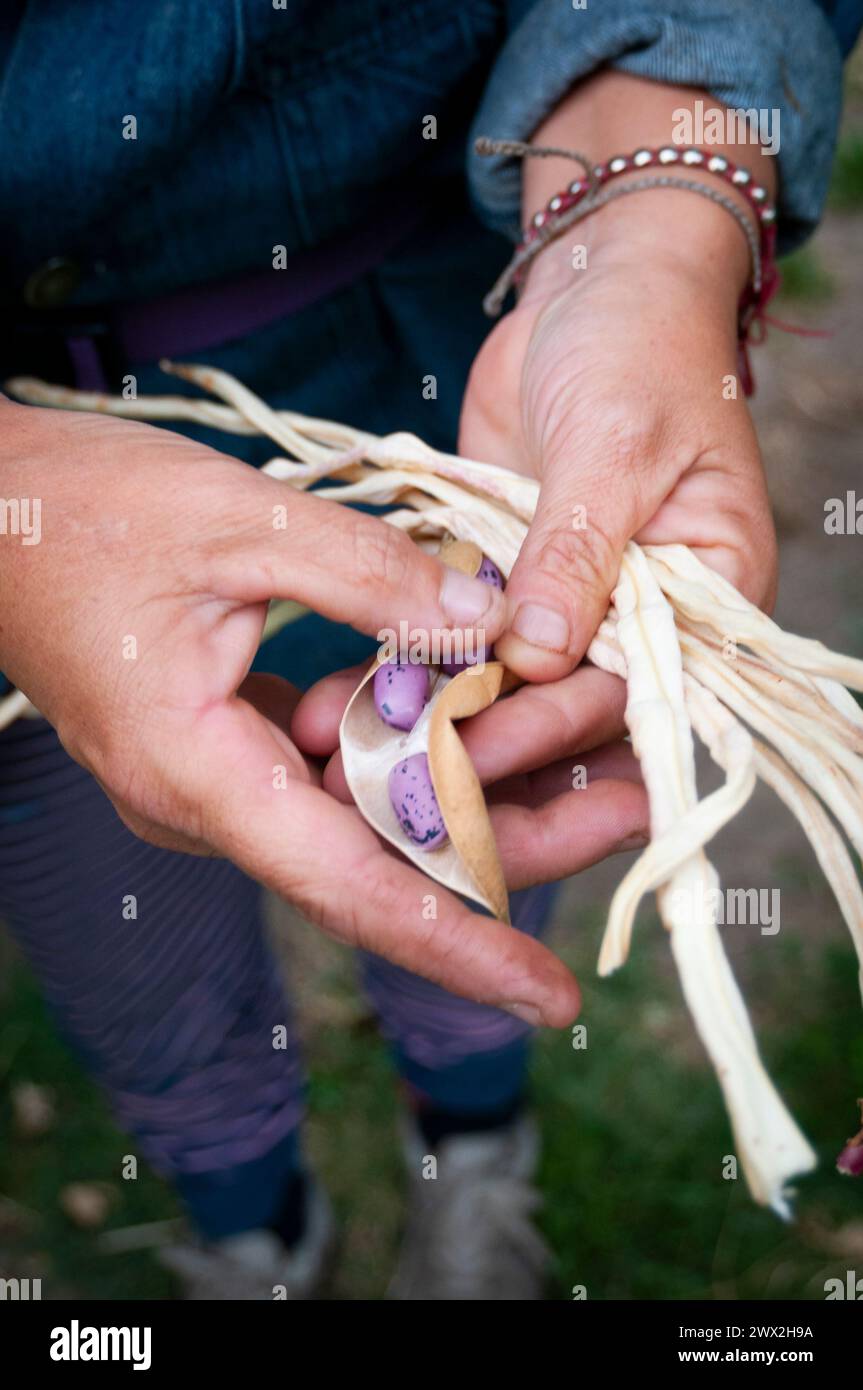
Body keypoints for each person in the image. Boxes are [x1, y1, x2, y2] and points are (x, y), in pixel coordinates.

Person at [0, 1, 858, 1299]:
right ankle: (249, 1227)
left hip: (465, 390)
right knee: (131, 945)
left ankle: (469, 1150)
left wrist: (652, 226)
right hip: (39, 489)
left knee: (480, 846)